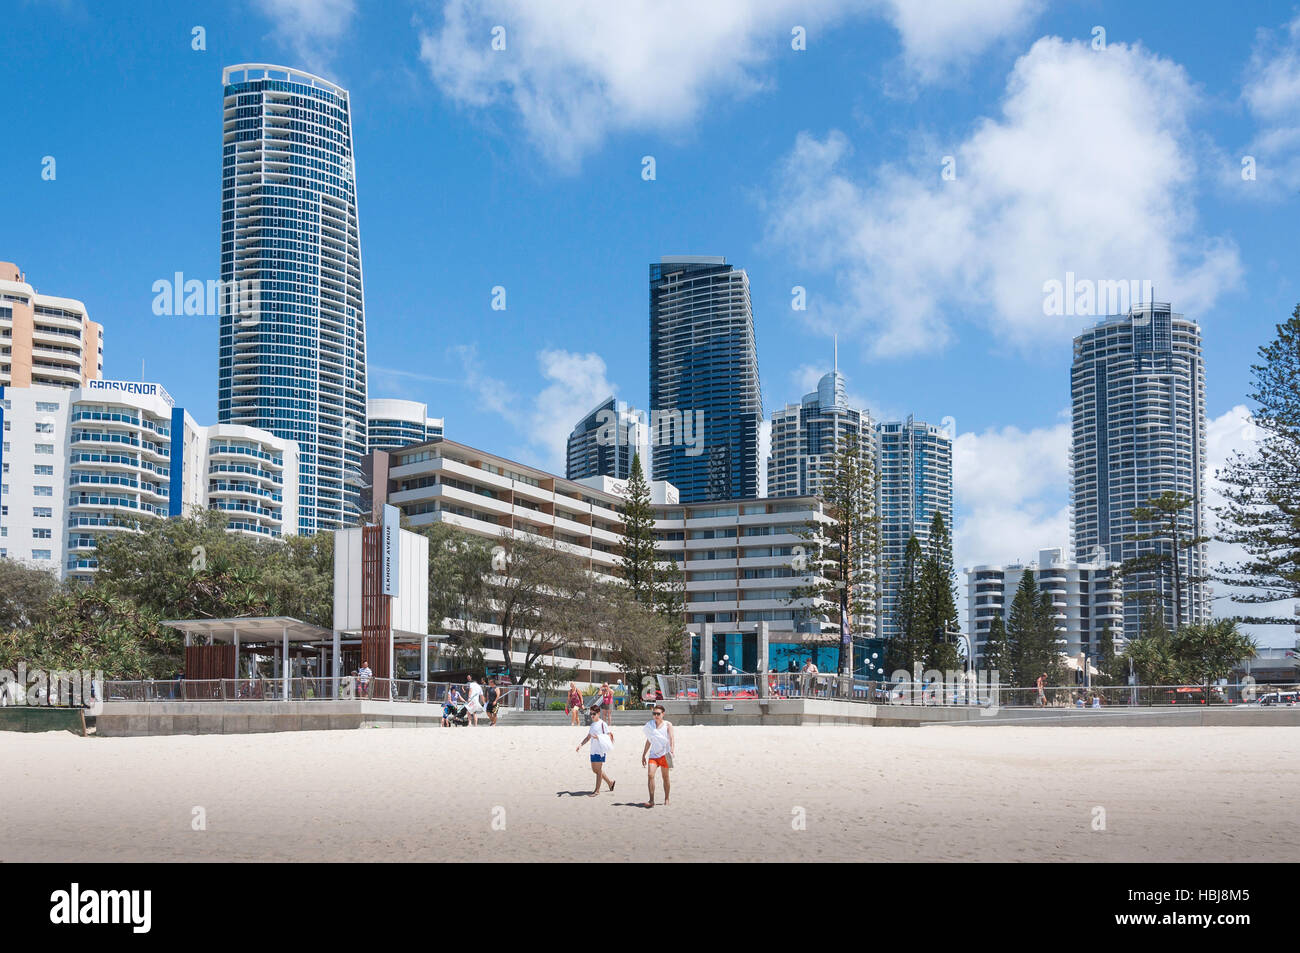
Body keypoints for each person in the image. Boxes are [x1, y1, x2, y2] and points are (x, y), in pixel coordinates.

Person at [576, 703, 615, 796]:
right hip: (593, 750)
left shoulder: (603, 724)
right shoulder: (593, 725)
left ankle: (597, 791)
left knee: (598, 770)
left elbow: (609, 735)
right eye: (591, 714)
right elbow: (588, 737)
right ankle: (610, 783)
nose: (592, 716)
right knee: (595, 770)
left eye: (594, 714)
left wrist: (599, 737)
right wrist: (581, 745)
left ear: (598, 713)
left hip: (600, 750)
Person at [641, 704, 675, 808]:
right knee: (650, 775)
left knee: (665, 777)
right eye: (654, 713)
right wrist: (643, 754)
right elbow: (649, 740)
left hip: (664, 754)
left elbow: (671, 738)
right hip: (654, 755)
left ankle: (667, 798)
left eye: (658, 714)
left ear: (663, 714)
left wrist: (672, 751)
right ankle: (651, 800)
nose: (656, 715)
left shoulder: (668, 725)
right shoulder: (650, 725)